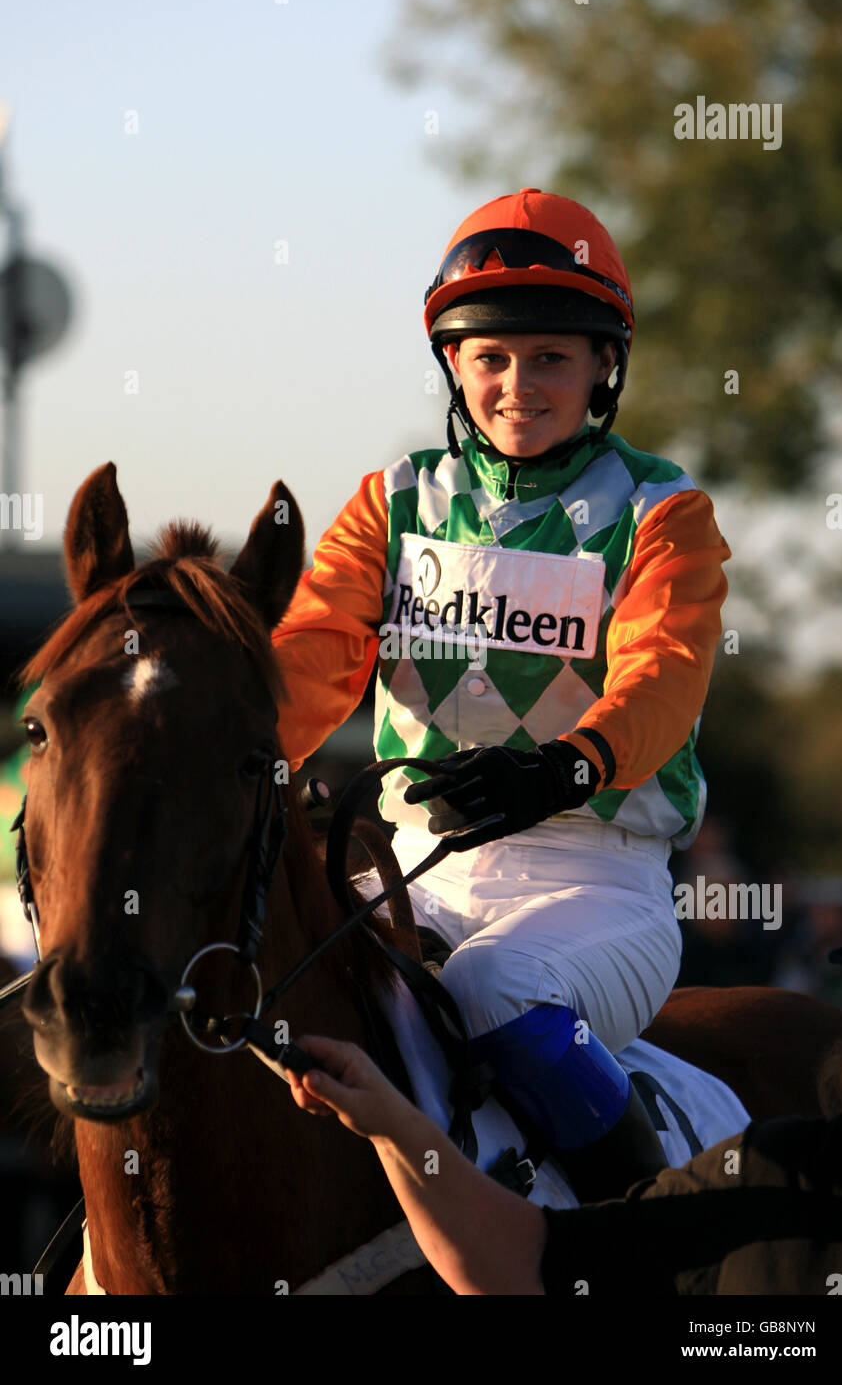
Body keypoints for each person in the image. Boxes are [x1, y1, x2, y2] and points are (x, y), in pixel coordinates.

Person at [272, 188, 731, 1198]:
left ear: (604, 364)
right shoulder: (391, 504)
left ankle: (634, 1240)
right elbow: (310, 656)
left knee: (492, 984)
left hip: (594, 885)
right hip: (411, 875)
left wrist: (569, 765)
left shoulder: (662, 512)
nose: (516, 385)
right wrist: (229, 748)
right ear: (453, 362)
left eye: (550, 358)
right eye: (490, 358)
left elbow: (660, 676)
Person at [283, 1023, 842, 1297]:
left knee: (495, 981)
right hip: (451, 875)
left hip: (600, 881)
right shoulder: (779, 1167)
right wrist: (390, 1125)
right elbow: (528, 1260)